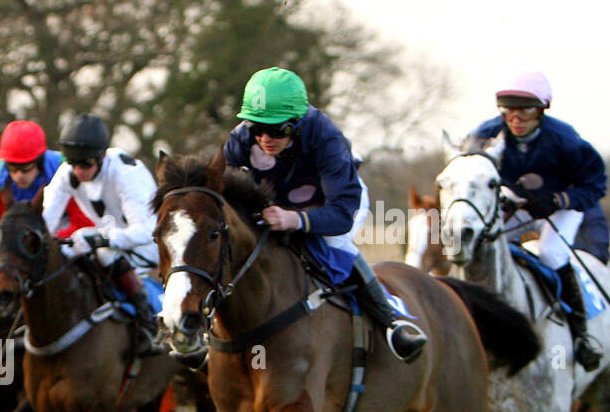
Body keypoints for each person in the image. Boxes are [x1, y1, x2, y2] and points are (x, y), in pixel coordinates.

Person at [225, 67, 427, 362]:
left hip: (337, 203)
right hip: (278, 202)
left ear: (296, 123)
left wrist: (296, 220)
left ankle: (391, 324)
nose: (266, 138)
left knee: (334, 244)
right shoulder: (240, 140)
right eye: (257, 128)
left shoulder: (325, 138)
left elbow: (341, 215)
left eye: (278, 130)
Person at [467, 71, 606, 369]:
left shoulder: (566, 139)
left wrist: (559, 200)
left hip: (560, 205)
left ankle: (580, 334)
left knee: (551, 253)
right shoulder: (486, 134)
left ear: (542, 110)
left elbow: (595, 184)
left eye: (525, 111)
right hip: (516, 203)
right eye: (509, 110)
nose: (516, 119)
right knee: (481, 245)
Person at [41, 113, 162, 354]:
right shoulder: (68, 172)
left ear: (102, 155)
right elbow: (46, 220)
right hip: (110, 237)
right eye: (73, 164)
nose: (79, 171)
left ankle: (148, 324)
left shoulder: (127, 174)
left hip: (147, 248)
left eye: (85, 164)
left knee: (102, 250)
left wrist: (100, 238)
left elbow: (147, 231)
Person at [0, 120, 92, 235]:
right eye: (12, 168)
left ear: (39, 162)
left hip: (64, 229)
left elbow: (83, 222)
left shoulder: (66, 172)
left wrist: (50, 243)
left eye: (25, 168)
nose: (19, 176)